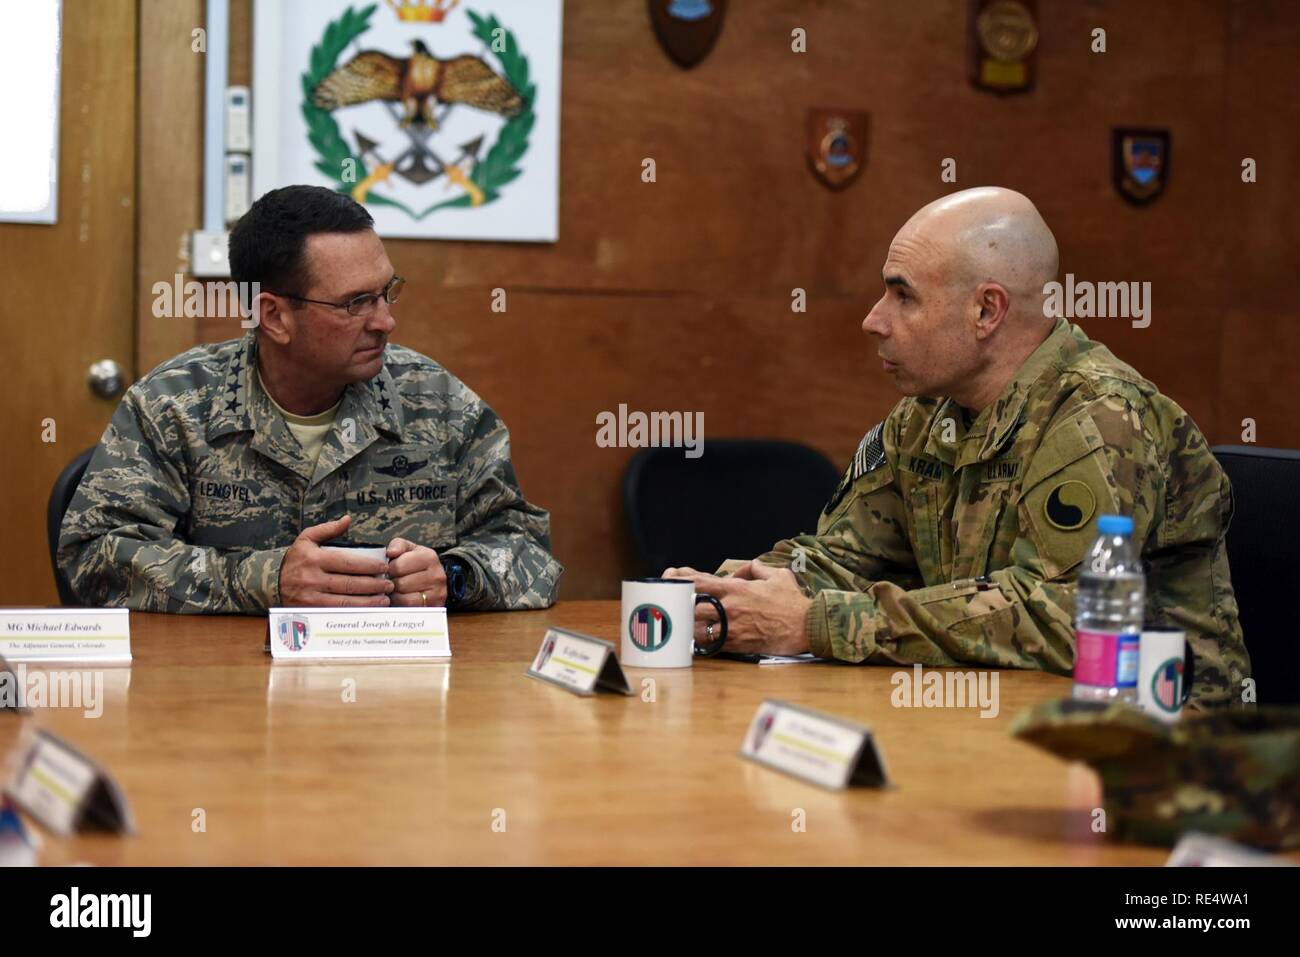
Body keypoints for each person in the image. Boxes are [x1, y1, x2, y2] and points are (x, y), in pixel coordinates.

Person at [666, 187, 1248, 709]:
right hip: (989, 713)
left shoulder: (1101, 416)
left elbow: (1062, 618)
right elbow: (846, 556)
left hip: (1151, 739)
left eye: (903, 296)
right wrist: (736, 592)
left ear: (986, 311)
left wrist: (819, 623)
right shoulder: (927, 414)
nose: (873, 320)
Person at [60, 185, 561, 613]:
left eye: (387, 293)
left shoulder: (440, 404)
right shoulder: (173, 407)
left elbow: (531, 553)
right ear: (274, 317)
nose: (385, 320)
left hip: (399, 694)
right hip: (223, 694)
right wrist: (266, 580)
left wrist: (453, 576)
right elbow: (92, 559)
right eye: (356, 302)